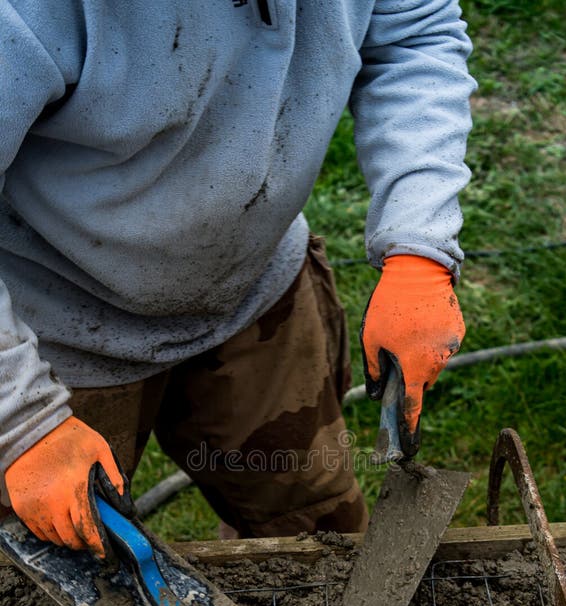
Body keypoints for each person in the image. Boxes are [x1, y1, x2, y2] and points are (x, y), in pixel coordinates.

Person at [0, 1, 475, 554]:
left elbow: (412, 35)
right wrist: (19, 421)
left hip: (254, 298)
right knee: (54, 596)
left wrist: (419, 250)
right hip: (46, 337)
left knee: (315, 540)